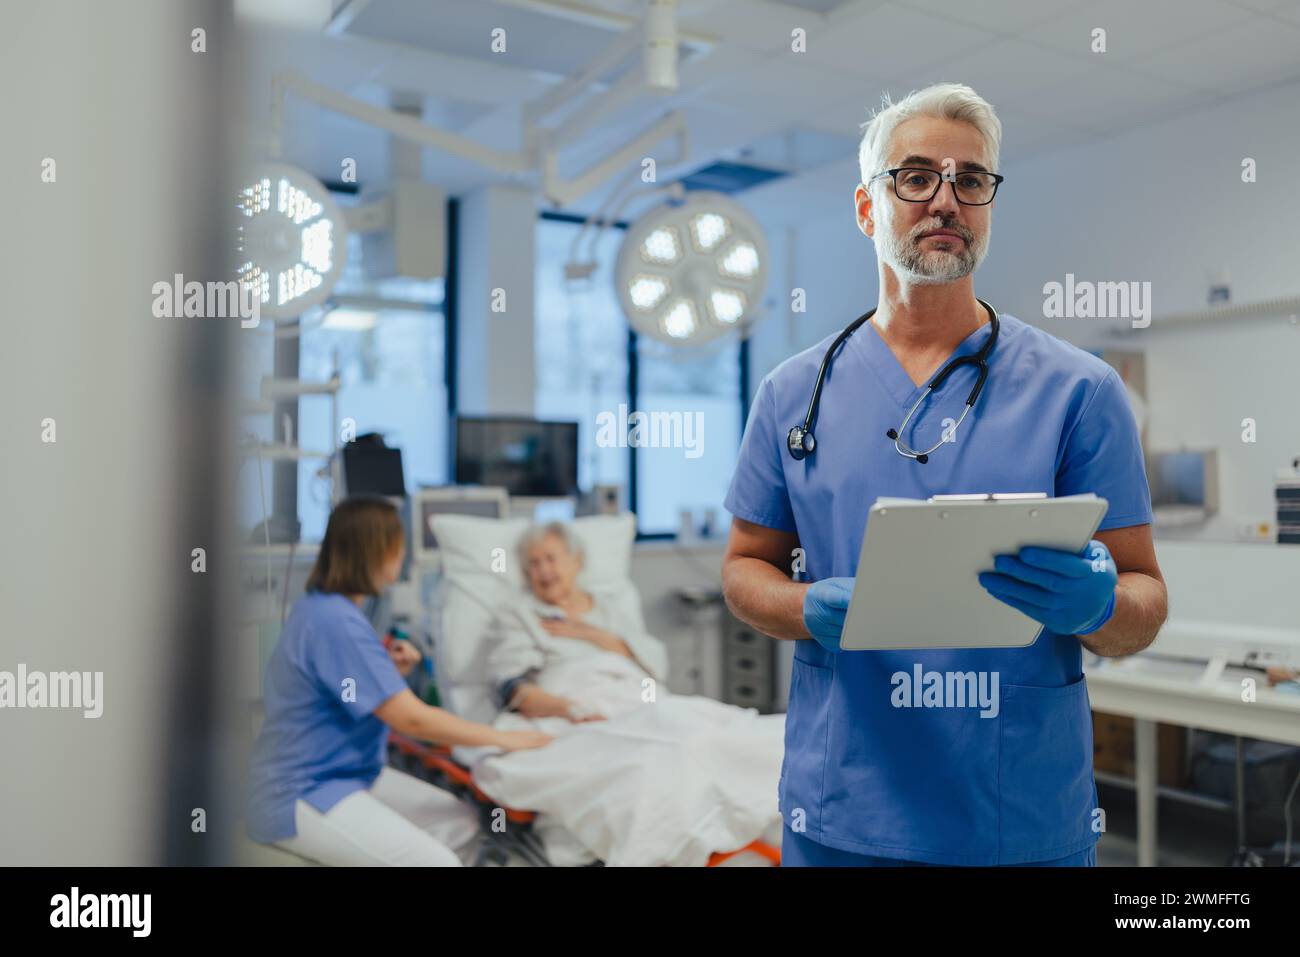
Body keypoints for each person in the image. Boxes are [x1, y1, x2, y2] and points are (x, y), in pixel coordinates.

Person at [721, 83, 1168, 867]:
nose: (947, 200)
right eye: (917, 176)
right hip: (842, 811)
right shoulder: (795, 392)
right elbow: (742, 569)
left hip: (1017, 814)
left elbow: (1143, 603)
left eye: (971, 180)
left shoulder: (1080, 391)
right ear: (867, 208)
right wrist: (806, 606)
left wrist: (1098, 604)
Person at [246, 496, 551, 866]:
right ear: (374, 552)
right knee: (439, 863)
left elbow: (348, 684)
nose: (403, 553)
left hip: (350, 773)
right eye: (397, 544)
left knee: (461, 824)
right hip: (301, 790)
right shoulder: (336, 622)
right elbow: (413, 720)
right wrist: (505, 738)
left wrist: (387, 670)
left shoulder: (325, 608)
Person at [491, 522, 668, 722]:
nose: (544, 570)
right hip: (570, 708)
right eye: (534, 563)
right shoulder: (520, 614)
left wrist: (592, 634)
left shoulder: (609, 607)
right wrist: (571, 709)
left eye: (551, 559)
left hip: (634, 697)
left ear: (577, 561)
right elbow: (512, 688)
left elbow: (653, 665)